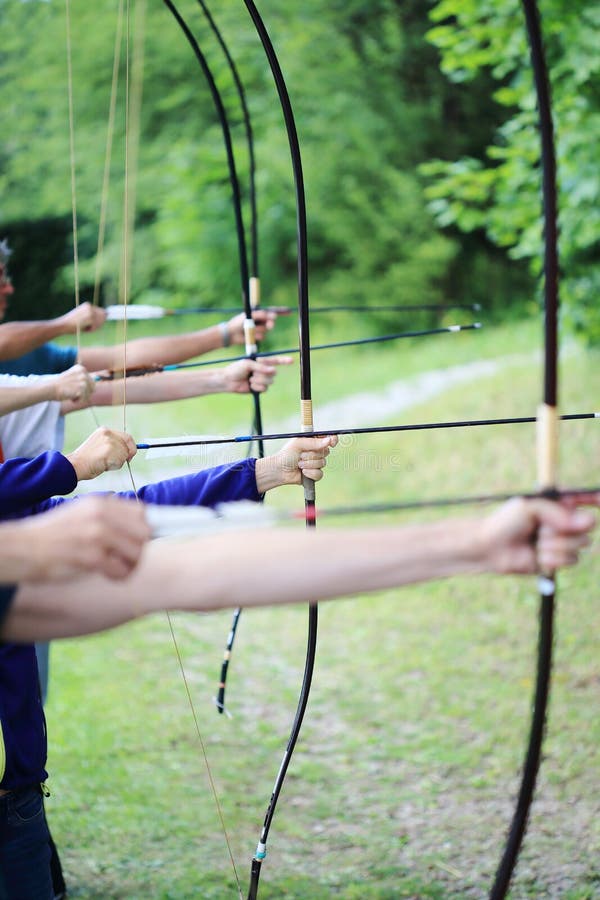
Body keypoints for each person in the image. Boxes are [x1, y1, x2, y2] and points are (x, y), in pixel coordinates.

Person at [0, 240, 279, 374]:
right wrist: (64, 324)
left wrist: (224, 334)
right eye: (1, 278)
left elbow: (119, 358)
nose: (9, 287)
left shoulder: (33, 356)